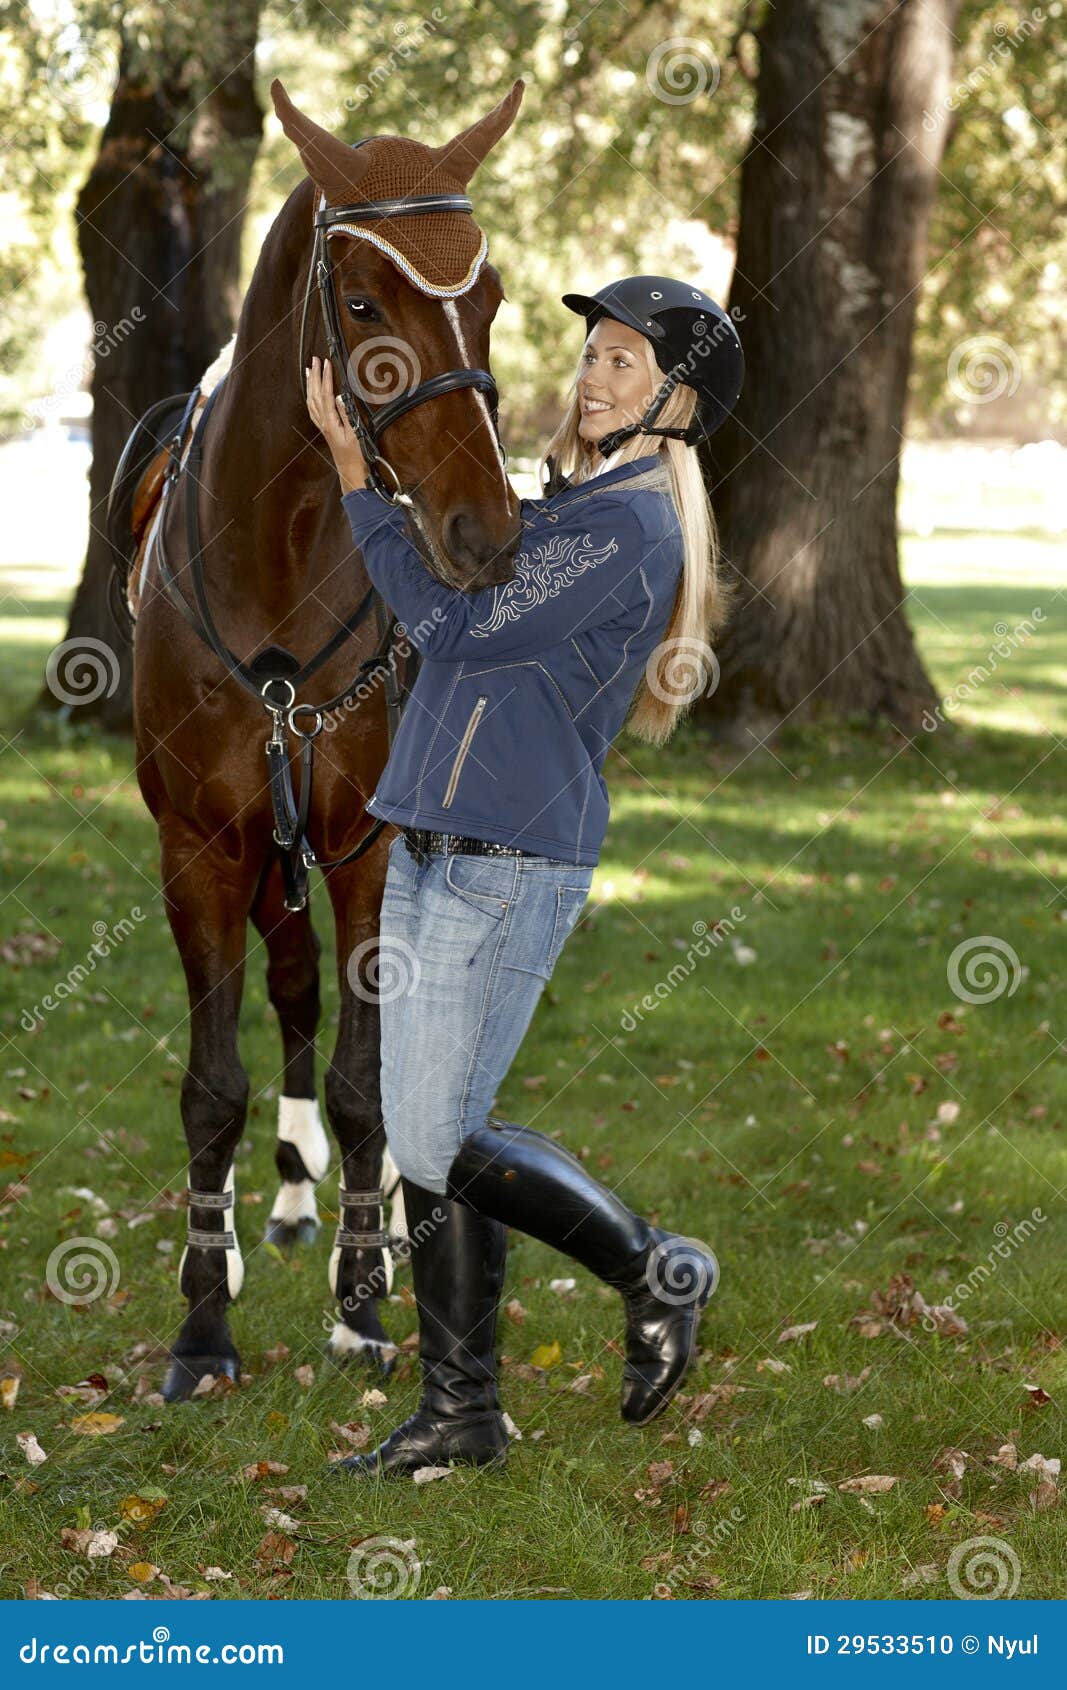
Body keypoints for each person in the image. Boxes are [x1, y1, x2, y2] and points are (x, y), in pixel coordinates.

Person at [305, 276, 744, 1477]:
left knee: (437, 1139)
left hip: (504, 864)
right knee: (432, 1134)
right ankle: (464, 1412)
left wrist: (356, 482)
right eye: (590, 354)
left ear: (675, 399)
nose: (592, 376)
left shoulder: (629, 524)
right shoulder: (569, 504)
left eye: (621, 361)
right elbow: (458, 586)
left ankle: (652, 1267)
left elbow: (449, 629)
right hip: (436, 846)